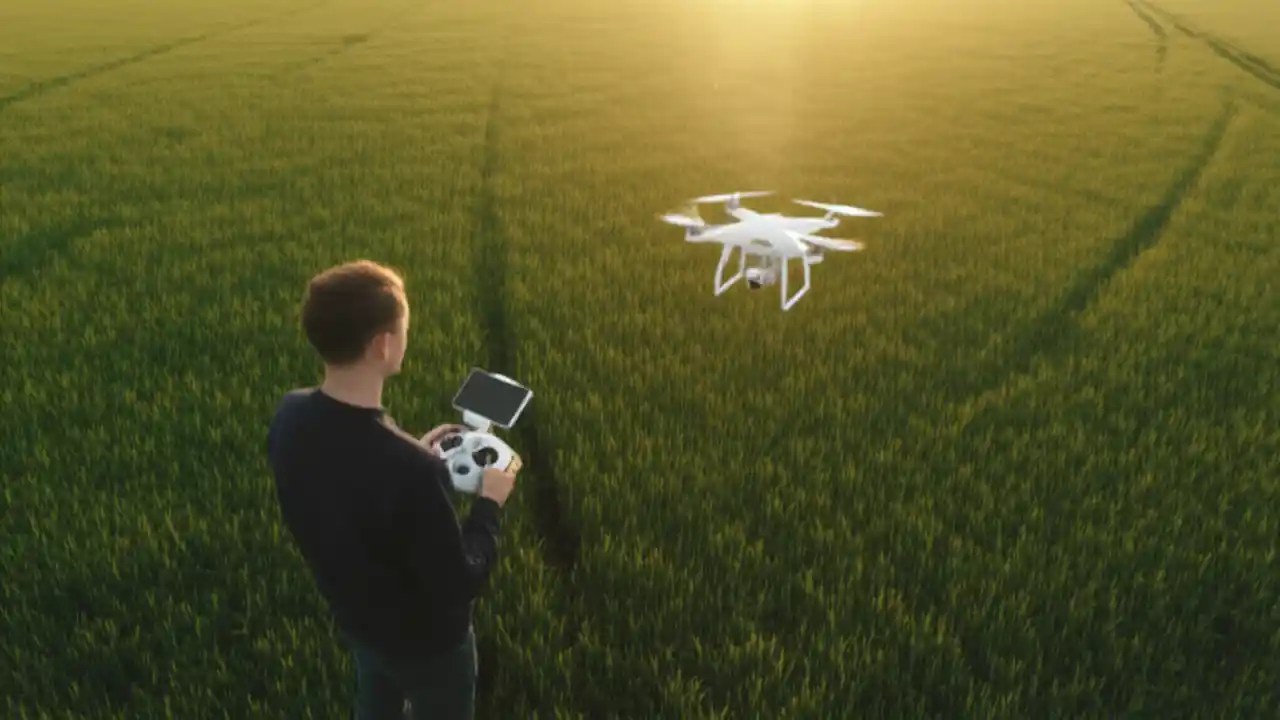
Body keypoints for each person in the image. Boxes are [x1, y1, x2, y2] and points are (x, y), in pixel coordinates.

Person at [266, 259, 519, 720]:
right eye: (404, 330)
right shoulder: (413, 471)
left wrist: (411, 450)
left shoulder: (290, 415)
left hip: (359, 620)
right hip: (431, 646)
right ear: (384, 345)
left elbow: (347, 480)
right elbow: (459, 583)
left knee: (375, 703)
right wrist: (489, 504)